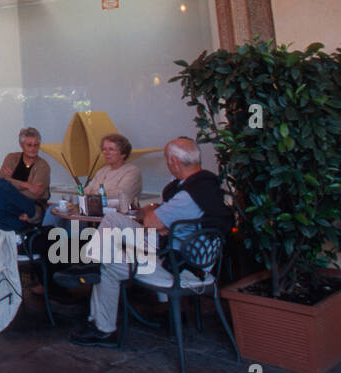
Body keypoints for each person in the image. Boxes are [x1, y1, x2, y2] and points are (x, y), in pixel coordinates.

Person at [70, 137, 232, 347]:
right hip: (189, 259)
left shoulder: (189, 195)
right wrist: (160, 221)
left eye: (166, 159)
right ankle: (93, 268)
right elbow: (161, 223)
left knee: (109, 257)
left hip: (177, 266)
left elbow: (150, 220)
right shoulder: (206, 187)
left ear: (174, 161)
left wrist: (152, 212)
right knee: (112, 237)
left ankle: (103, 329)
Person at [0, 127, 51, 223]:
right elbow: (1, 181)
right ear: (21, 145)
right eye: (29, 145)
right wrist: (27, 185)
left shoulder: (43, 166)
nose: (33, 148)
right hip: (10, 204)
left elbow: (36, 193)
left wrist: (10, 183)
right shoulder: (11, 158)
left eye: (36, 145)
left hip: (32, 206)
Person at [83, 132, 142, 212]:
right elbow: (86, 191)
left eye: (111, 149)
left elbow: (121, 194)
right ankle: (72, 224)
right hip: (94, 212)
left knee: (77, 220)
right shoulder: (102, 171)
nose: (106, 153)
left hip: (118, 216)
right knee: (70, 217)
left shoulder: (132, 171)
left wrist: (94, 194)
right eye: (104, 149)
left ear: (123, 154)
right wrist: (96, 195)